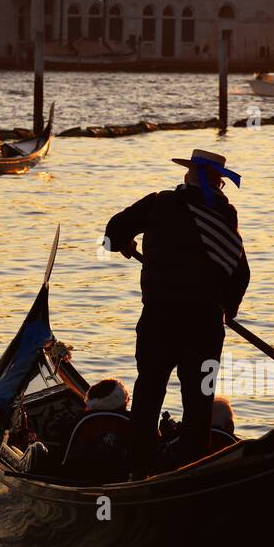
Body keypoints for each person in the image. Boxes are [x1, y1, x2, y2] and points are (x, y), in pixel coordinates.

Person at [103, 149, 250, 478]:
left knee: (149, 391)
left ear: (190, 176)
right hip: (206, 325)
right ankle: (193, 471)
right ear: (216, 181)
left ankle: (138, 469)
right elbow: (240, 274)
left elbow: (112, 233)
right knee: (199, 401)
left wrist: (125, 241)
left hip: (160, 319)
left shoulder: (159, 203)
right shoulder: (225, 215)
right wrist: (228, 309)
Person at [62, 379, 132, 481]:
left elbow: (63, 458)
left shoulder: (80, 421)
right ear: (124, 402)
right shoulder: (134, 421)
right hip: (124, 480)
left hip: (79, 480)